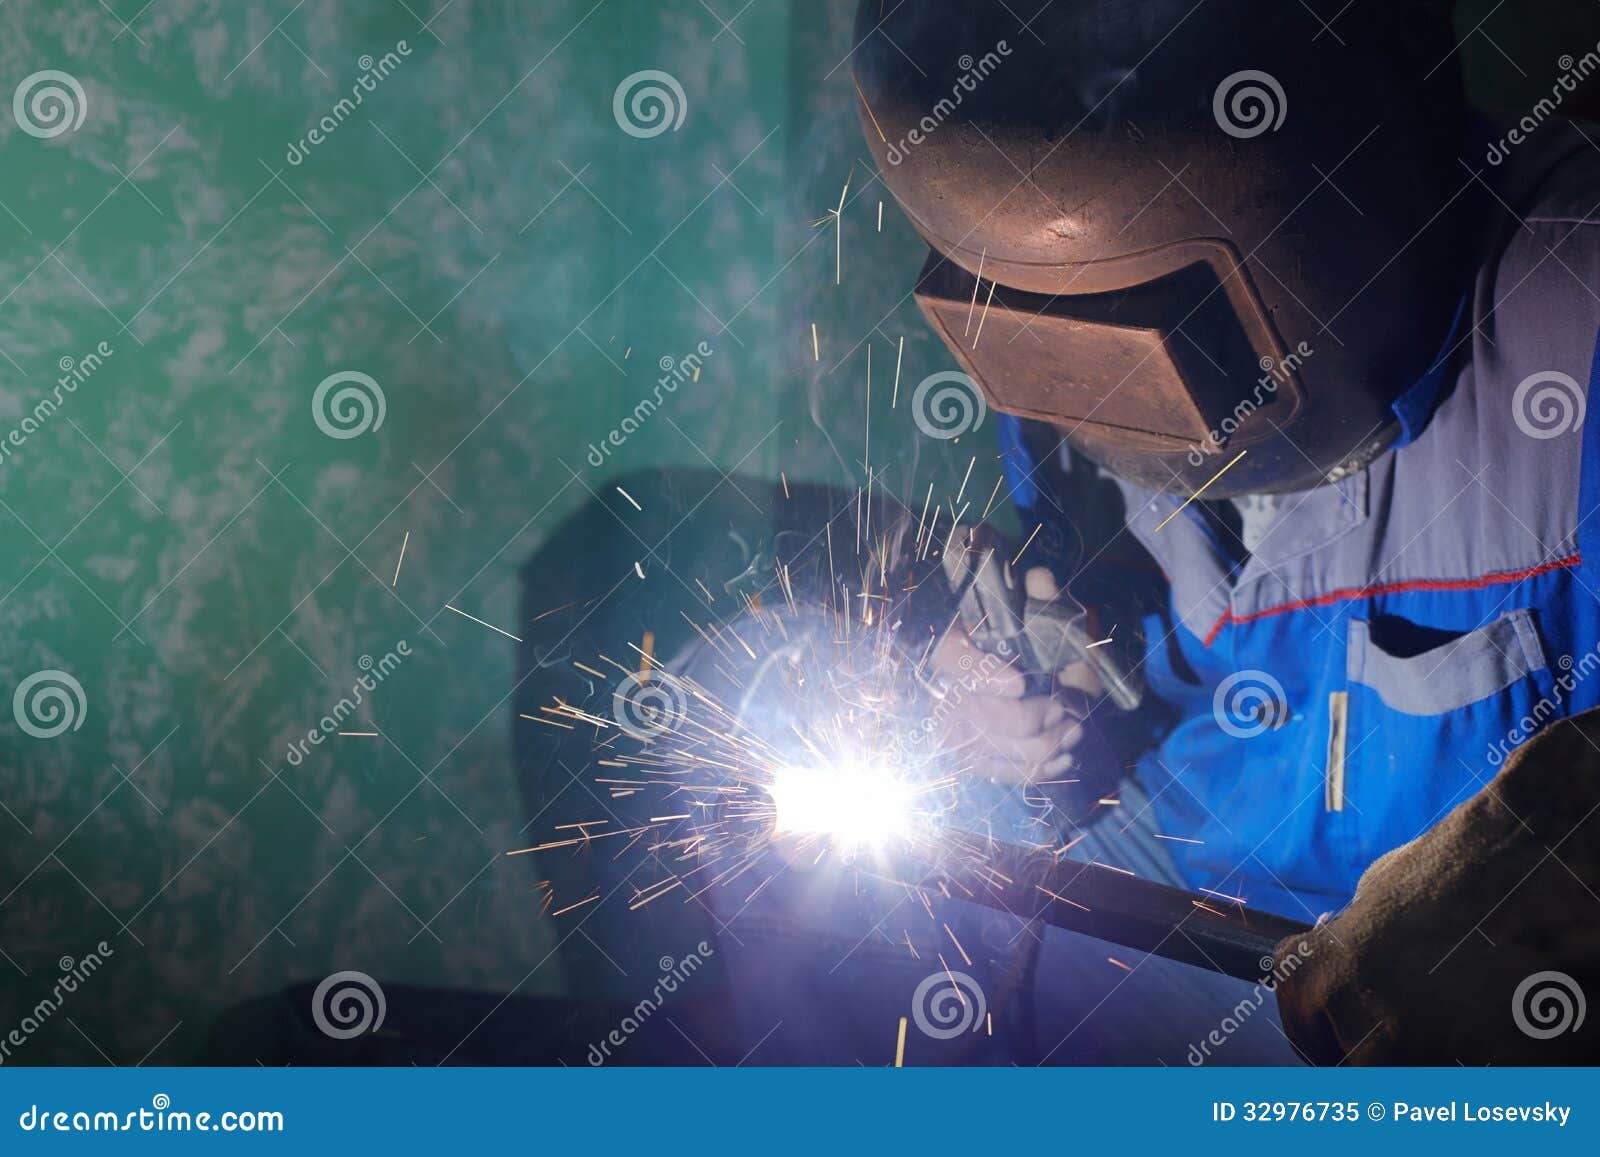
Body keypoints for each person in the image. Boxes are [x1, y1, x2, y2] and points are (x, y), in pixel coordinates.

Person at [854, 0, 1600, 1063]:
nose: (1084, 374)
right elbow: (1119, 674)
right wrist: (1023, 710)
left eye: (1161, 306)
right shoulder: (1039, 307)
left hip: (1417, 1004)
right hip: (1193, 896)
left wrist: (1546, 881)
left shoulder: (1575, 315)